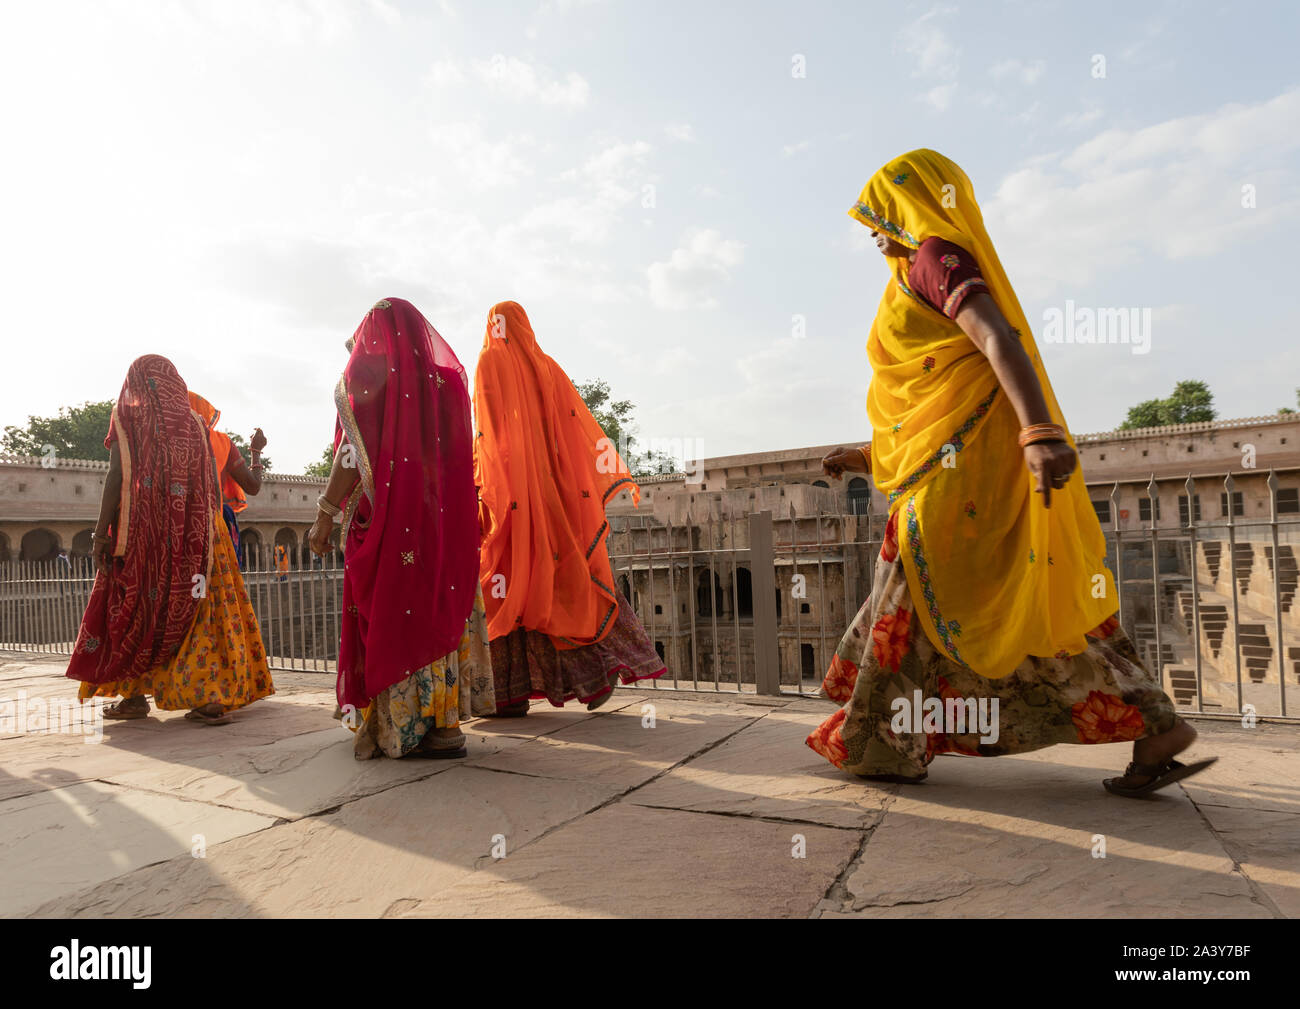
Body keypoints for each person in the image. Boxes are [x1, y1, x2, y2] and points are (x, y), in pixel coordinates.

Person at [807, 150, 1214, 798]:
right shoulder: (914, 270)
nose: (872, 231)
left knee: (915, 603)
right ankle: (1154, 724)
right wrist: (867, 456)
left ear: (903, 202)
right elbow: (937, 392)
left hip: (965, 478)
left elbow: (998, 339)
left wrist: (1039, 430)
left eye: (876, 214)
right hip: (947, 468)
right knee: (1021, 601)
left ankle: (881, 742)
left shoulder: (936, 257)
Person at [309, 297, 495, 759]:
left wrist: (325, 511)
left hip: (396, 524)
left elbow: (351, 454)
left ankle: (403, 724)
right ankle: (446, 725)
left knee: (400, 609)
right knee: (436, 604)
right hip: (443, 522)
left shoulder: (370, 376)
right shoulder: (448, 382)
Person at [474, 300, 665, 715]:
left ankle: (507, 695)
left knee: (510, 589)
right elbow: (576, 426)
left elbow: (488, 434)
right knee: (569, 580)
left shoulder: (489, 361)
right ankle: (595, 678)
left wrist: (488, 486)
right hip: (555, 497)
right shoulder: (548, 366)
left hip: (511, 498)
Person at [66, 354, 273, 724]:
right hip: (202, 532)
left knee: (132, 606)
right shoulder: (200, 428)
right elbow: (223, 485)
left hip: (144, 531)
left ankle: (132, 696)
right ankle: (208, 694)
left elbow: (116, 476)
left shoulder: (129, 420)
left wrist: (101, 533)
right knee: (201, 609)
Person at [187, 391, 266, 563]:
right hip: (213, 526)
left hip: (173, 526)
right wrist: (256, 450)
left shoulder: (157, 438)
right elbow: (253, 486)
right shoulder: (221, 442)